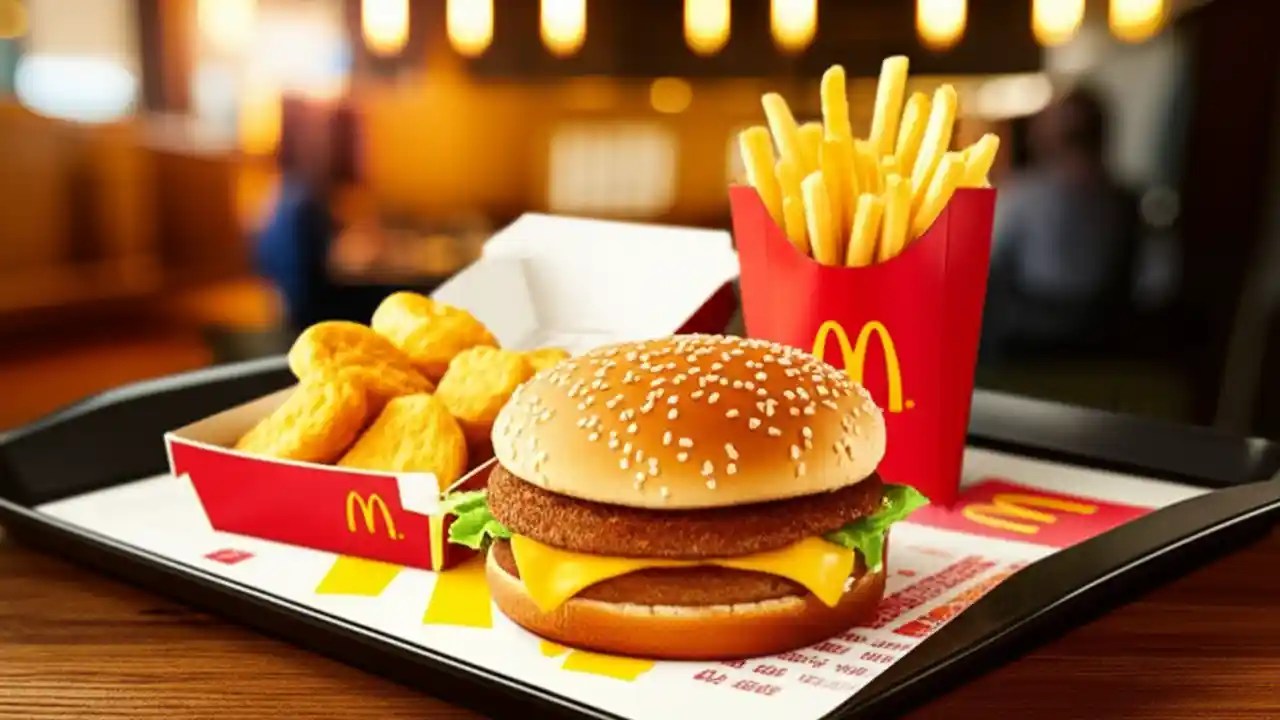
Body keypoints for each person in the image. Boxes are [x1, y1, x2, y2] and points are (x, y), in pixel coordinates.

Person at [981, 88, 1140, 361]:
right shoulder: (1126, 199)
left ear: (1048, 136)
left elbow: (986, 261)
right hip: (1107, 340)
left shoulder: (1022, 194)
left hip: (1030, 340)